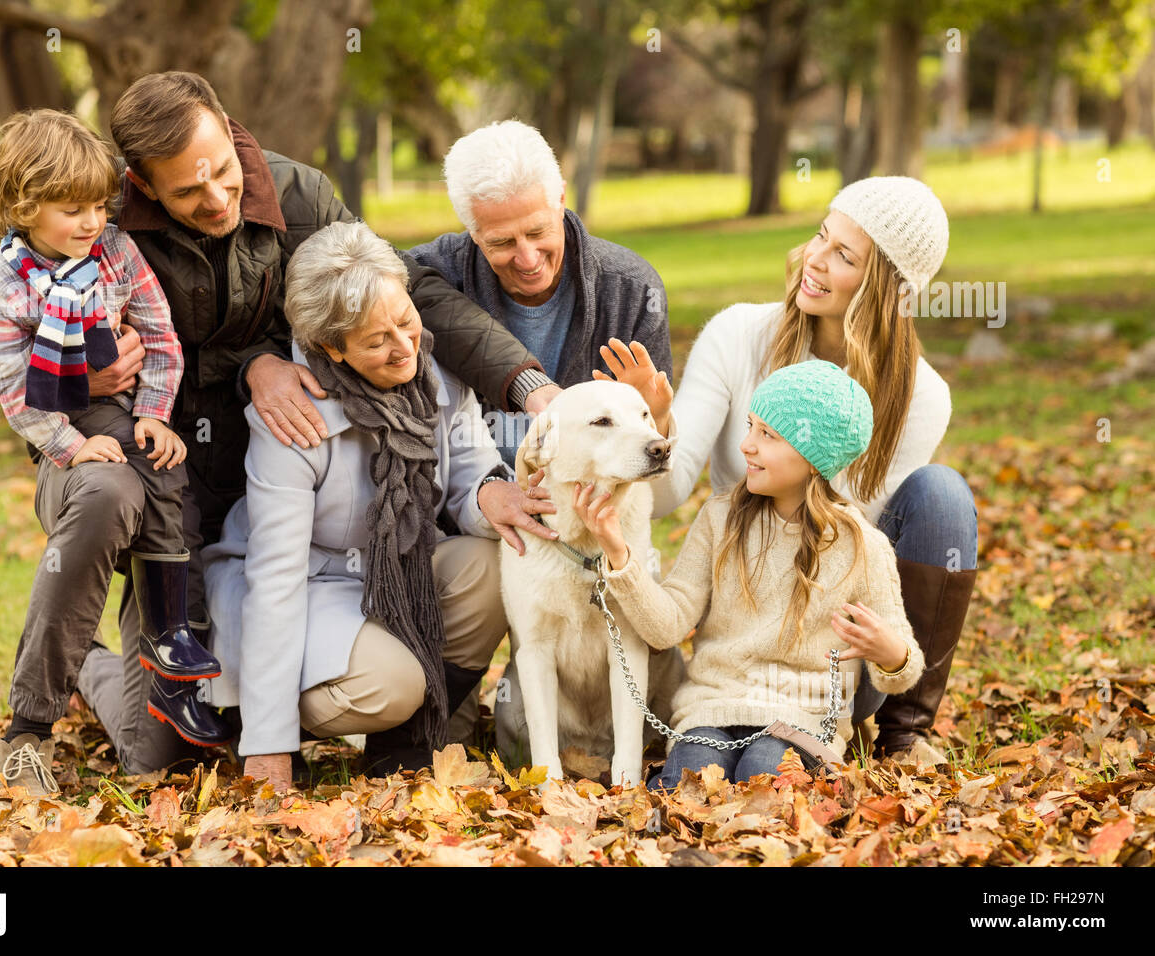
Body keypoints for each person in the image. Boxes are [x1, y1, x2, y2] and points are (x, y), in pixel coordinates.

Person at [0, 72, 555, 775]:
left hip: (261, 472)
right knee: (157, 752)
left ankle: (391, 718)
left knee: (273, 648)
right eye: (190, 193)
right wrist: (70, 375)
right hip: (148, 473)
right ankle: (93, 670)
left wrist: (527, 385)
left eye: (224, 172)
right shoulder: (99, 218)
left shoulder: (298, 195)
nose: (218, 199)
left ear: (229, 131)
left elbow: (395, 289)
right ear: (143, 184)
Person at [605, 176, 978, 762]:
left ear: (885, 289)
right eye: (821, 236)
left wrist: (882, 652)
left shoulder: (921, 396)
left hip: (822, 659)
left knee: (944, 495)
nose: (814, 259)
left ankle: (905, 734)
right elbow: (671, 492)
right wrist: (655, 425)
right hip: (734, 641)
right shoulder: (737, 335)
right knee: (698, 775)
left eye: (843, 256)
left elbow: (853, 540)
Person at [201, 221, 547, 792]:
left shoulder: (433, 369)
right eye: (376, 339)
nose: (405, 346)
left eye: (406, 320)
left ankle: (402, 746)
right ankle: (253, 718)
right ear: (330, 349)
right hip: (305, 585)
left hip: (397, 568)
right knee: (393, 683)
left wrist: (496, 495)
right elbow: (276, 582)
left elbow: (467, 473)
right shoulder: (292, 414)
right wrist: (269, 747)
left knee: (493, 566)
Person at [0, 109, 222, 796]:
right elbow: (14, 391)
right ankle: (27, 730)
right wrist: (72, 442)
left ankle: (133, 651)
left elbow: (161, 335)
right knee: (109, 489)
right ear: (22, 205)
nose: (89, 223)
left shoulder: (114, 250)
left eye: (97, 207)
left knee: (159, 760)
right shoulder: (2, 284)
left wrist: (153, 415)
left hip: (134, 426)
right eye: (69, 210)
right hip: (70, 446)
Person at [573, 360, 925, 788]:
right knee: (694, 779)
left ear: (814, 456)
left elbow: (906, 666)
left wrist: (891, 652)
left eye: (767, 435)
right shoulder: (719, 519)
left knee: (763, 770)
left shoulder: (861, 547)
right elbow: (666, 628)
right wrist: (618, 554)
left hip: (802, 717)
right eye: (749, 426)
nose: (745, 445)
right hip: (713, 707)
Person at [407, 120, 672, 465]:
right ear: (472, 230)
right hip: (459, 509)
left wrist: (658, 419)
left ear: (561, 199)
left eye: (538, 231)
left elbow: (655, 467)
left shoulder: (633, 290)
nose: (528, 259)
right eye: (502, 241)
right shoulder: (422, 278)